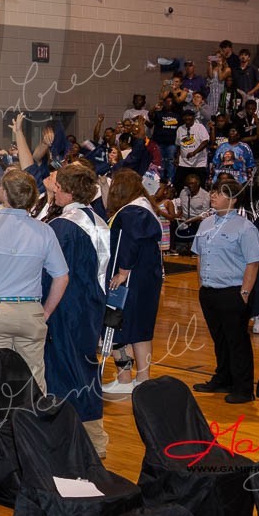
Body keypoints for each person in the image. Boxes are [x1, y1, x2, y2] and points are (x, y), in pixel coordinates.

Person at [0, 168, 68, 392]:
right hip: (30, 311)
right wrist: (45, 311)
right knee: (34, 381)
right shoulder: (44, 231)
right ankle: (33, 425)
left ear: (5, 194)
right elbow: (61, 277)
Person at [45, 161, 110, 455]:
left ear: (68, 191)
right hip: (92, 304)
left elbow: (52, 272)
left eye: (58, 187)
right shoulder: (96, 219)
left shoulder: (63, 226)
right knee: (85, 365)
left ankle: (69, 438)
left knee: (64, 368)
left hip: (66, 306)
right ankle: (93, 437)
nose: (54, 191)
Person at [191, 180, 259, 405]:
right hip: (210, 291)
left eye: (220, 193)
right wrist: (201, 284)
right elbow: (199, 255)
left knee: (237, 341)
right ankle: (223, 378)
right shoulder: (206, 224)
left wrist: (244, 293)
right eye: (213, 191)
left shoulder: (245, 227)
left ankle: (243, 388)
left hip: (232, 292)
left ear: (232, 199)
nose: (213, 195)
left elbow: (253, 263)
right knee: (219, 339)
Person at [102, 169, 163, 395]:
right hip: (147, 279)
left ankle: (124, 378)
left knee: (116, 324)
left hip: (131, 281)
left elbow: (130, 243)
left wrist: (122, 272)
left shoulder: (132, 212)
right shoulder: (143, 207)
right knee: (141, 329)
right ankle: (142, 379)